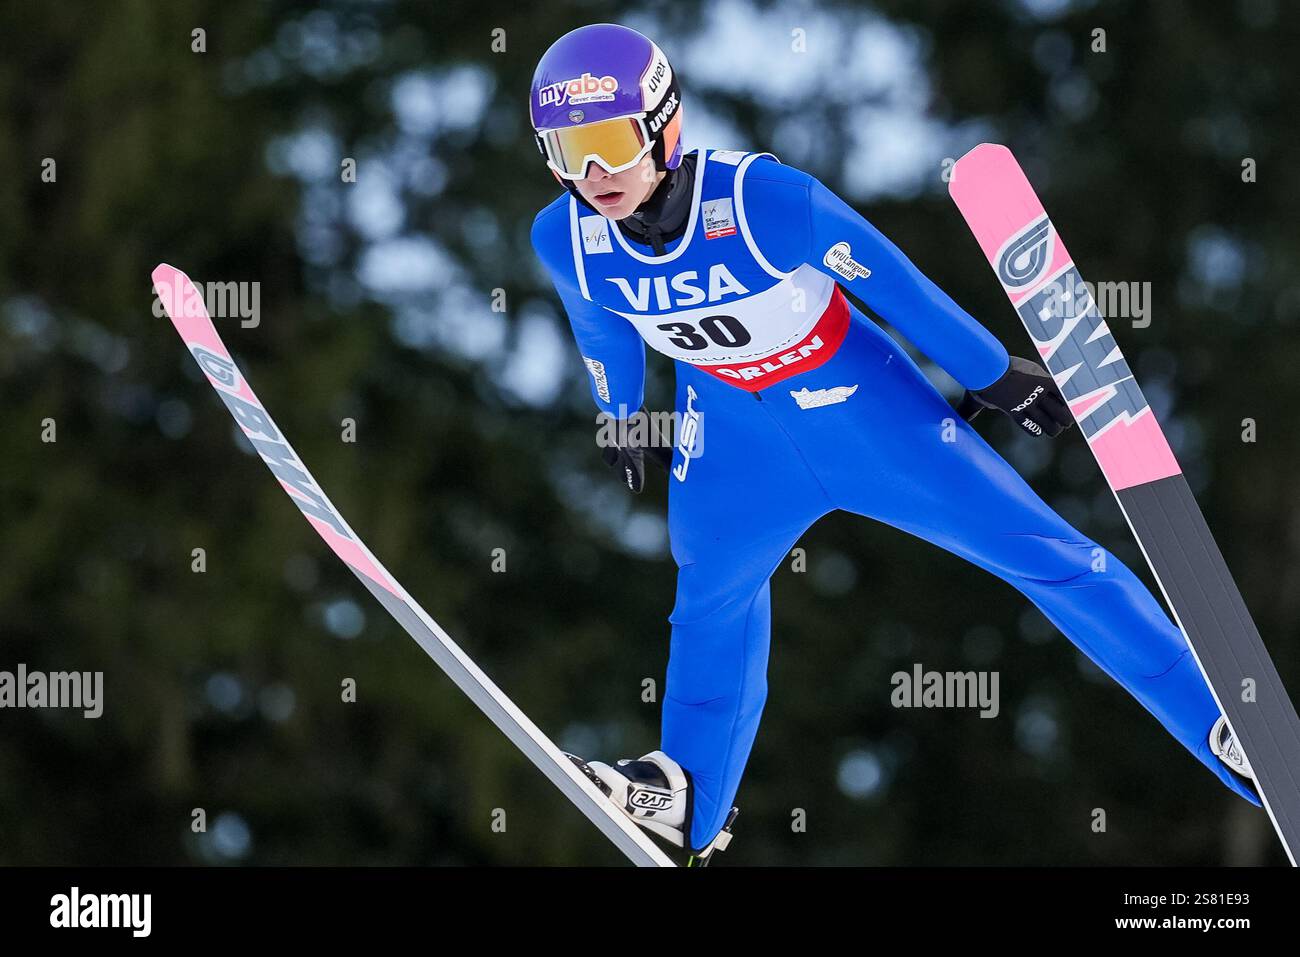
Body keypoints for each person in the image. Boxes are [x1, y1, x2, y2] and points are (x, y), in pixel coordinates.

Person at [528, 23, 1258, 864]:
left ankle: (1219, 720)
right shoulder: (566, 236)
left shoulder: (762, 202)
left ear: (665, 127)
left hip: (863, 412)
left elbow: (891, 278)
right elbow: (601, 321)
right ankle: (687, 800)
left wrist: (987, 370)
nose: (594, 176)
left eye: (611, 145)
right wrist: (619, 412)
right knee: (709, 602)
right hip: (732, 440)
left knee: (1042, 552)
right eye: (568, 152)